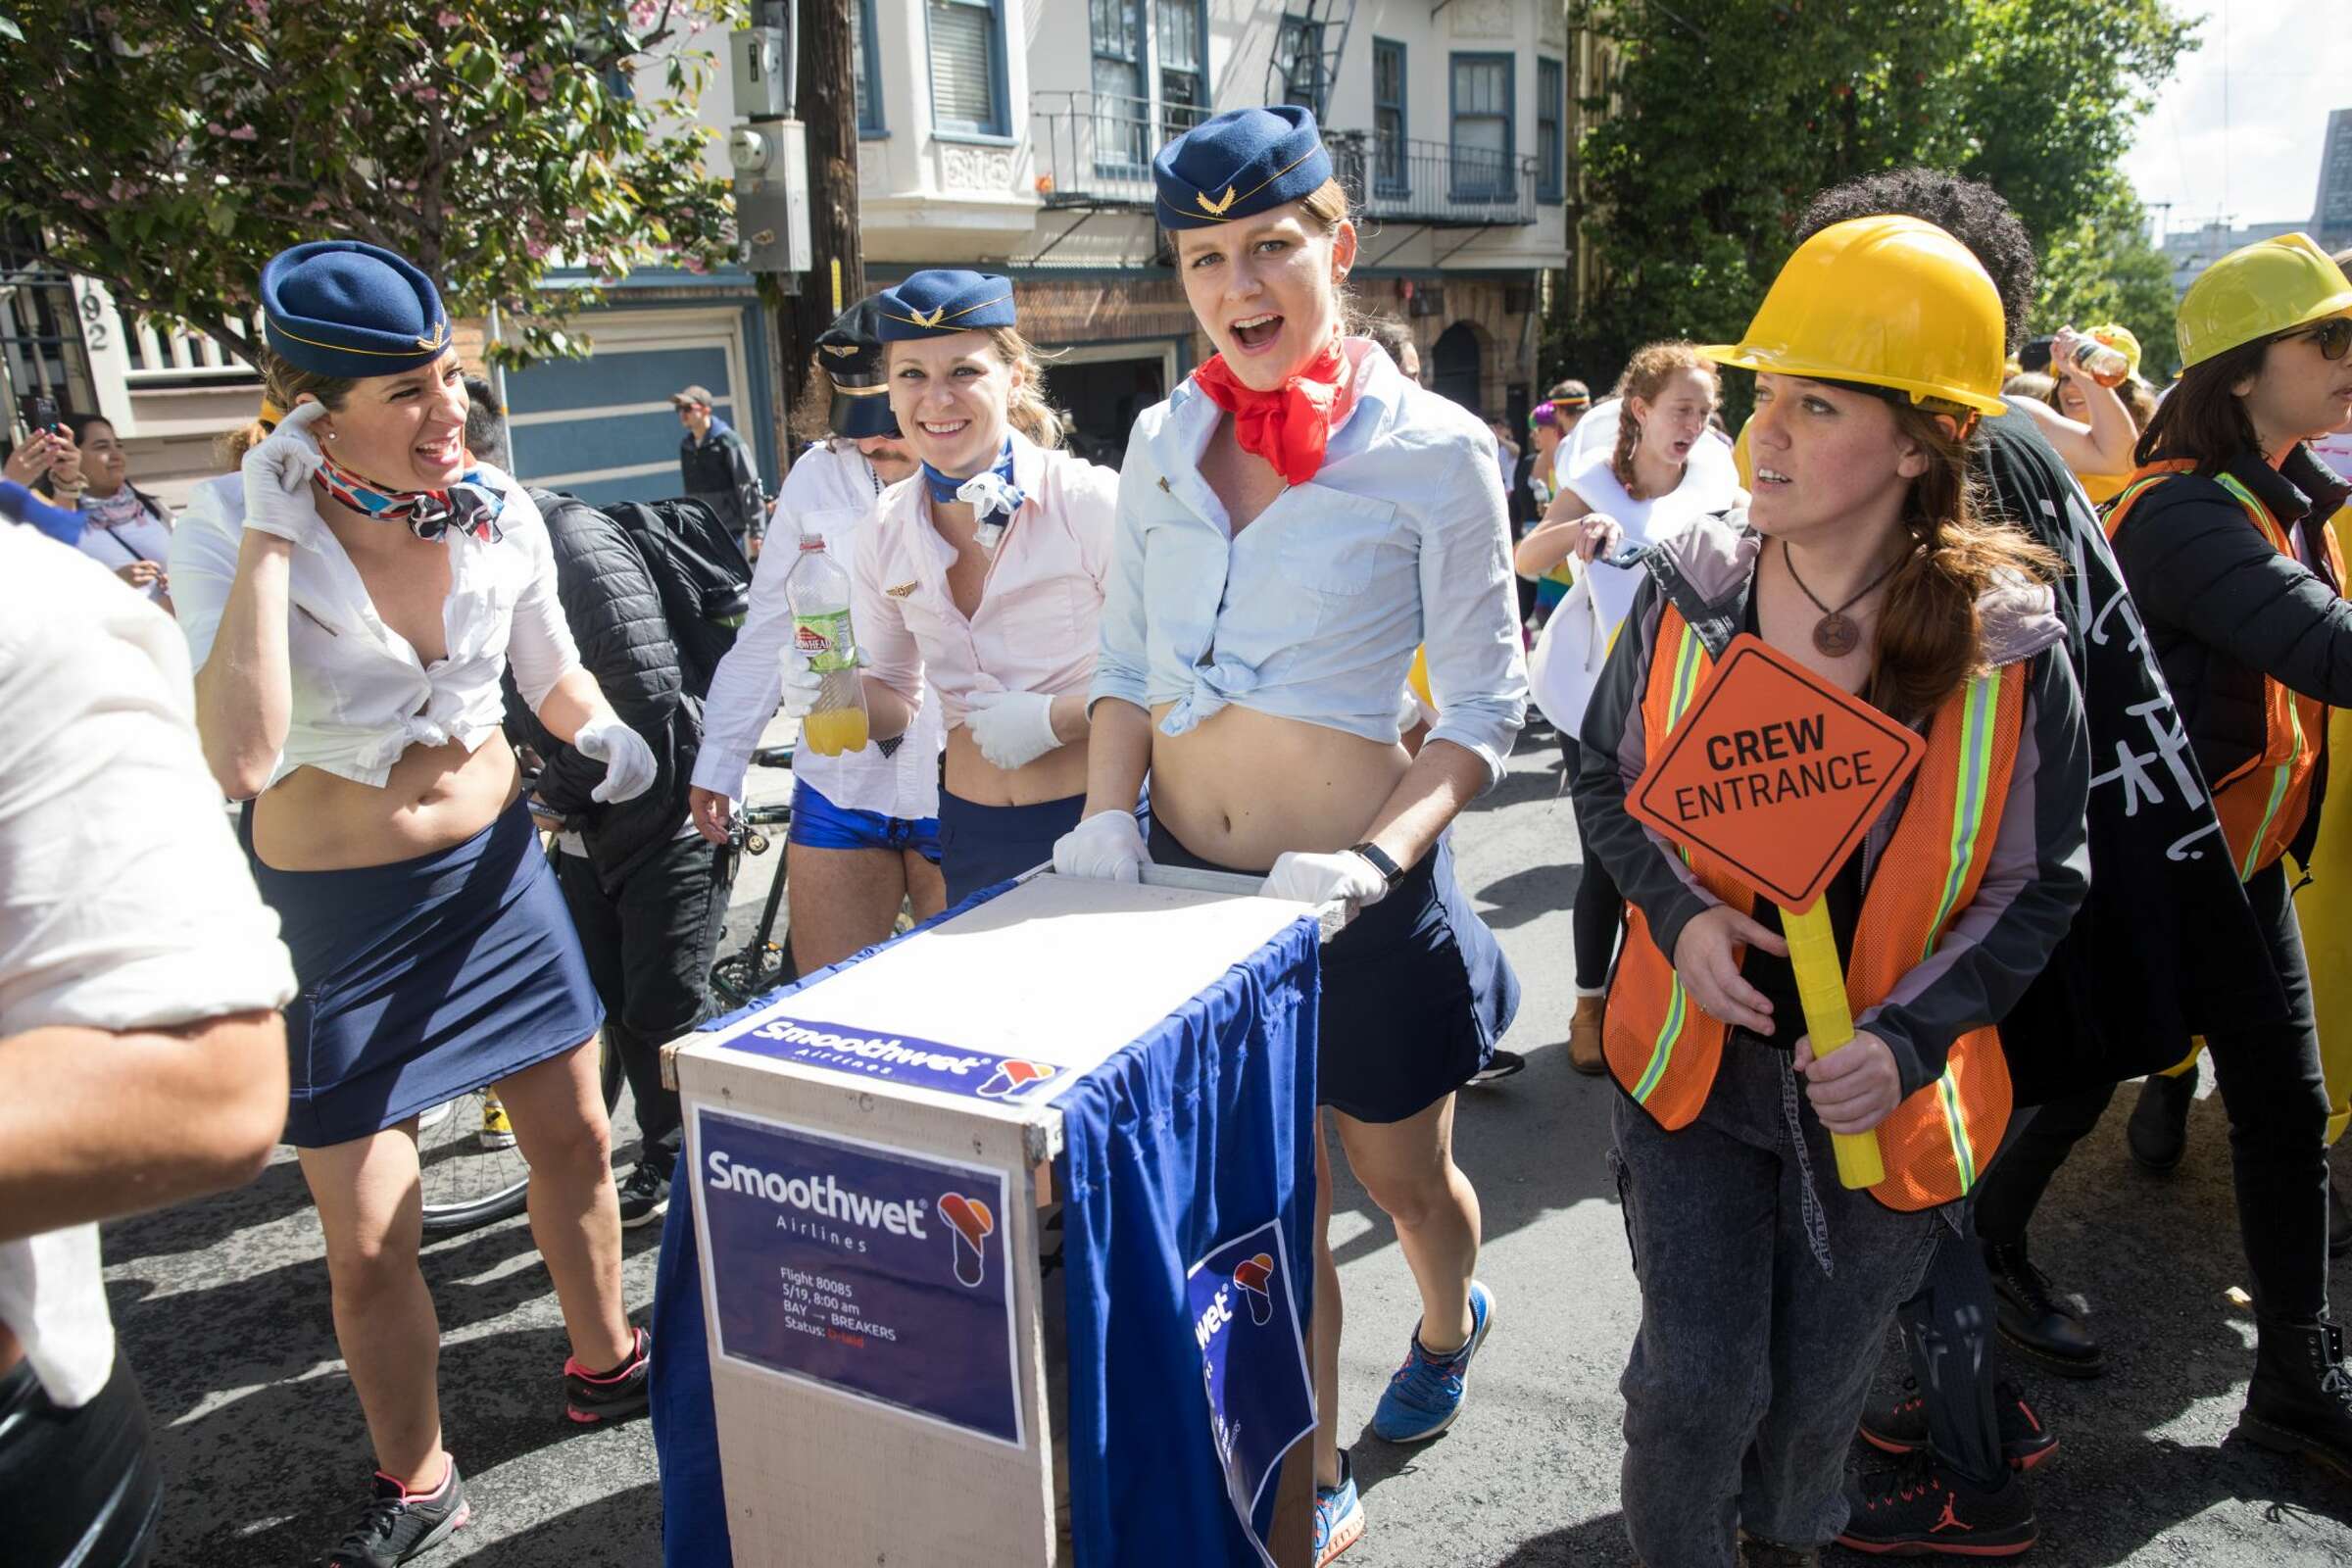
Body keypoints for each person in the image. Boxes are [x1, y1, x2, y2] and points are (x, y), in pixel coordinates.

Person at [1576, 215, 2088, 1568]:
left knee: (1818, 1398)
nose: (1764, 433)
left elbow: (2042, 883)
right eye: (1765, 397)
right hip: (1690, 1070)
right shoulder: (1692, 588)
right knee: (1692, 1388)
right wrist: (1680, 919)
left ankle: (1791, 1543)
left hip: (1885, 1105)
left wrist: (1906, 1040)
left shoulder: (2012, 645)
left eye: (1816, 406)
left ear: (1920, 444)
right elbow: (1601, 781)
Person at [1054, 104, 1526, 1565]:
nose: (1238, 285)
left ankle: (1448, 1318)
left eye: (1271, 246)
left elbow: (1484, 711)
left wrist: (1376, 862)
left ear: (1341, 245)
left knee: (1402, 1184)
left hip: (1361, 906)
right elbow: (1124, 662)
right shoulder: (1158, 435)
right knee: (1272, 1215)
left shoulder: (1437, 449)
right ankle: (1308, 1472)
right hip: (1190, 907)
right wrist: (1104, 818)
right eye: (1205, 259)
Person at [1770, 167, 2261, 1557]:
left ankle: (1977, 1478)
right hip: (2026, 907)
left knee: (1931, 1209)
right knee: (1946, 1202)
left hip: (1971, 930)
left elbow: (1943, 737)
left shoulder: (1972, 484)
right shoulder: (2014, 452)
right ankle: (1967, 1416)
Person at [169, 240, 660, 1566]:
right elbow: (240, 756)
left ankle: (608, 1358)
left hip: (497, 880)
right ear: (310, 414)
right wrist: (272, 529)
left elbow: (549, 670)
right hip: (336, 923)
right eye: (408, 392)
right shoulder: (221, 527)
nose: (452, 411)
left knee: (576, 1139)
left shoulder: (493, 502)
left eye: (448, 376)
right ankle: (420, 1473)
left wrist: (601, 730)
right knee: (372, 1235)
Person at [2011, 230, 2352, 1479]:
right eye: (2330, 339)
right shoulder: (2185, 514)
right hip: (2153, 871)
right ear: (2243, 369)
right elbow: (2332, 653)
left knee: (2282, 1110)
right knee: (2081, 1079)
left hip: (2236, 867)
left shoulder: (2284, 495)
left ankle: (2295, 1383)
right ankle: (1973, 1257)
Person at [1, 526, 297, 1568]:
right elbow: (245, 759)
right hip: (331, 881)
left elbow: (205, 1082)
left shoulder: (31, 608)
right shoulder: (225, 523)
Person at [473, 385, 736, 1231]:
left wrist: (551, 796)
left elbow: (647, 690)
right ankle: (666, 1157)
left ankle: (697, 1179)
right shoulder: (464, 545)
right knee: (612, 1000)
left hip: (667, 808)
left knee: (664, 1009)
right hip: (592, 818)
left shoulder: (568, 537)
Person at [783, 270, 1117, 907]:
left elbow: (1177, 682)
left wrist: (1057, 720)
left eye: (964, 371)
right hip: (967, 830)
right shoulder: (884, 528)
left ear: (1014, 378)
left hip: (1100, 822)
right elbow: (895, 696)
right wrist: (833, 688)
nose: (936, 399)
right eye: (912, 374)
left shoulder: (1087, 501)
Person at [692, 297, 949, 970]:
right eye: (855, 426)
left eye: (887, 425)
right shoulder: (816, 473)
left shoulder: (982, 472)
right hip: (841, 779)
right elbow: (767, 626)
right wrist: (722, 759)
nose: (872, 444)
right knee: (826, 1000)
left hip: (956, 780)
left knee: (963, 1006)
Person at [1518, 341, 1743, 1078]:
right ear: (1640, 410)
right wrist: (1577, 533)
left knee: (1681, 859)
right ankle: (1589, 1007)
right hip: (1592, 699)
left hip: (1684, 698)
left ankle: (1652, 999)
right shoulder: (1595, 481)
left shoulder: (1716, 477)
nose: (1694, 426)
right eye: (1681, 410)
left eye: (1704, 412)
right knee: (1608, 859)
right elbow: (1526, 559)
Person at [63, 414, 175, 610]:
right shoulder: (61, 522)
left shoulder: (153, 508)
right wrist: (114, 584)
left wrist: (180, 582)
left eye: (118, 445)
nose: (117, 456)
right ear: (70, 457)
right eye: (102, 447)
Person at [673, 384, 766, 553]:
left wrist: (757, 532)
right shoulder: (686, 446)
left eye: (687, 408)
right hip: (699, 530)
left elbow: (748, 486)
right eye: (679, 409)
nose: (682, 413)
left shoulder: (729, 442)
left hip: (728, 530)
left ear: (706, 410)